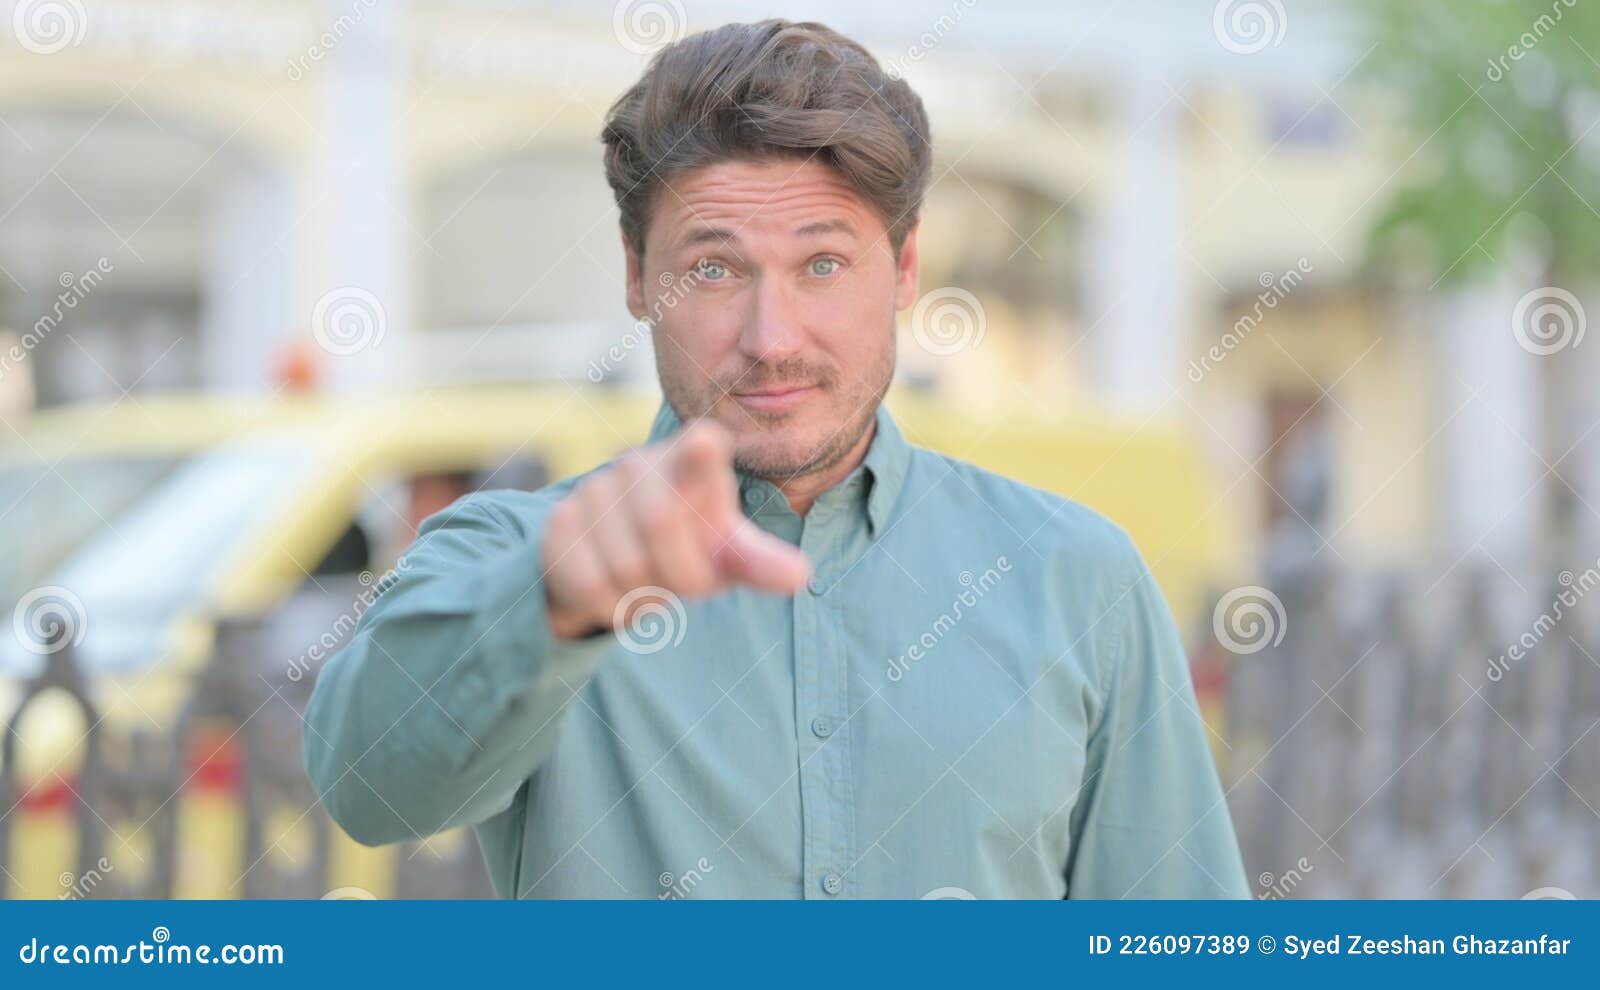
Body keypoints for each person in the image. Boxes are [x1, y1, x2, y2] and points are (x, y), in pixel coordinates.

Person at [303, 18, 1248, 899]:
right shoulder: (508, 554)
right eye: (713, 269)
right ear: (639, 278)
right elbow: (370, 791)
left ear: (908, 268)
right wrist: (554, 603)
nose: (772, 337)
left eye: (823, 265)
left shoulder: (1080, 580)